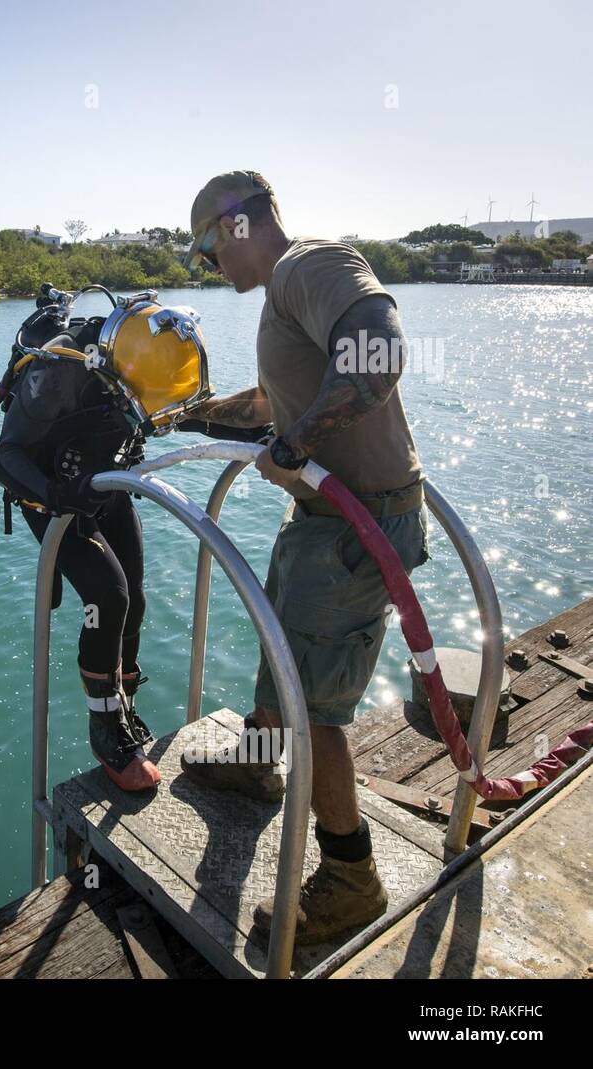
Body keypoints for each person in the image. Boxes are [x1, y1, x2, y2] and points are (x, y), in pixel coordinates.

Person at [177, 171, 429, 946]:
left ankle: (351, 876)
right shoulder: (285, 294)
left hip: (357, 529)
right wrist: (196, 414)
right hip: (320, 518)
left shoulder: (307, 266)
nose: (207, 264)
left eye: (203, 248)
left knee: (314, 711)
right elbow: (269, 399)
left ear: (233, 227)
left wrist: (292, 445)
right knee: (281, 655)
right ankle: (258, 762)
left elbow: (378, 353)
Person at [0, 299, 161, 792]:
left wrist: (269, 428)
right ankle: (105, 728)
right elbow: (8, 455)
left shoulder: (144, 369)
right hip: (48, 495)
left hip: (104, 484)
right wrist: (55, 495)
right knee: (108, 597)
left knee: (135, 599)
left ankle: (125, 704)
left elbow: (181, 414)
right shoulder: (60, 370)